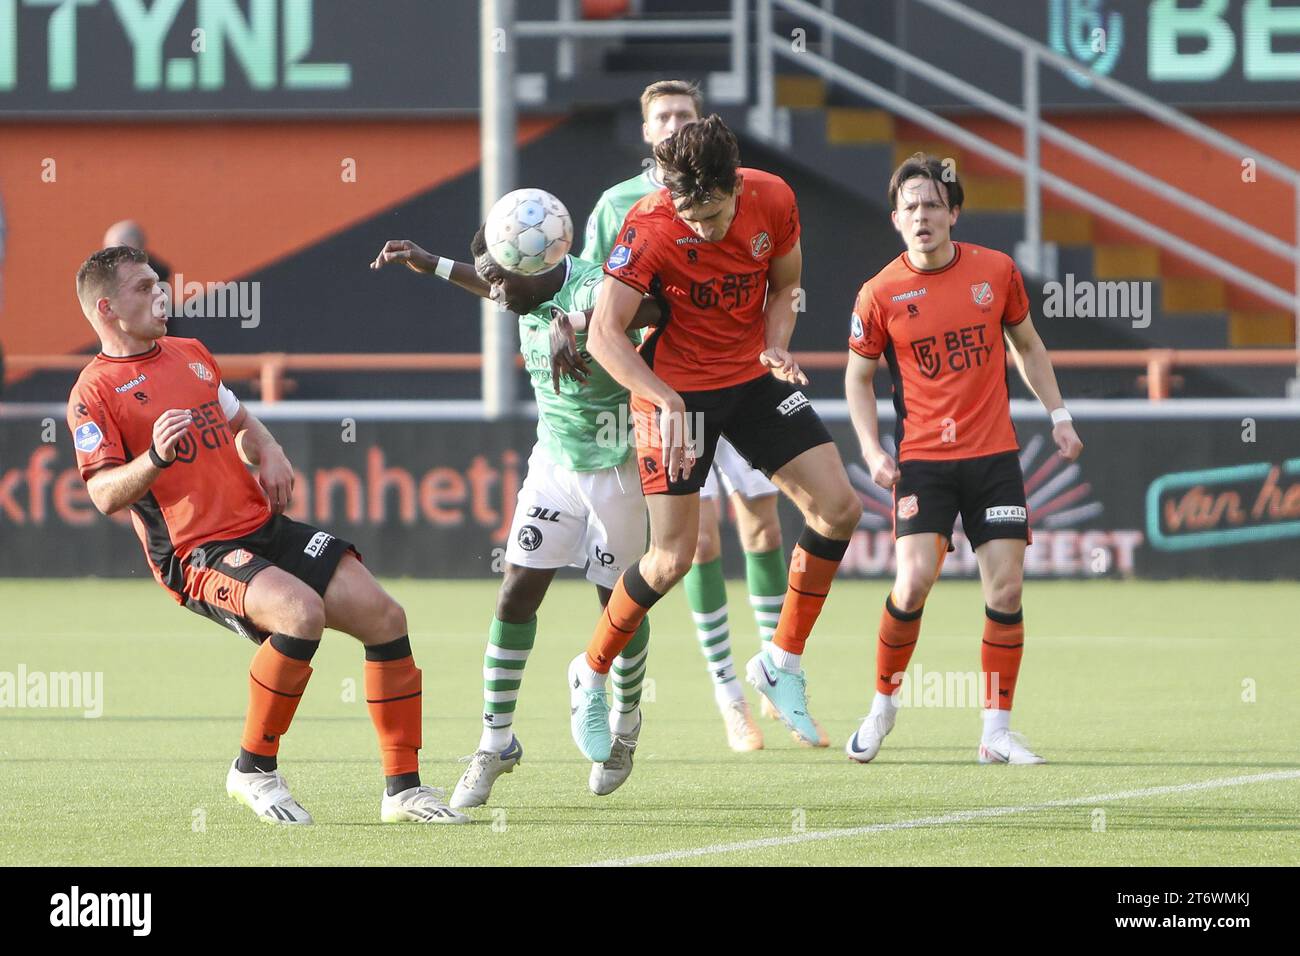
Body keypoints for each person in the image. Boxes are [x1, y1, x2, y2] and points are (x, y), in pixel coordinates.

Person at [67, 245, 466, 825]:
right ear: (106, 308)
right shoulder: (93, 392)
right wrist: (154, 455)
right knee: (300, 614)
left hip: (261, 526)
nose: (161, 294)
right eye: (143, 287)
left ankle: (403, 791)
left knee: (386, 616)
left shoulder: (191, 353)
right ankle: (253, 770)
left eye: (160, 281)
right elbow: (104, 493)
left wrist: (270, 450)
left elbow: (238, 419)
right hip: (196, 551)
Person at [578, 115, 863, 754]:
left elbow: (787, 285)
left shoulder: (775, 198)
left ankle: (781, 662)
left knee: (840, 509)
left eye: (714, 213)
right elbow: (603, 335)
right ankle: (589, 674)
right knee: (672, 558)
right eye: (692, 217)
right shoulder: (649, 227)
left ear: (737, 186)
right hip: (676, 391)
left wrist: (777, 346)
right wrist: (664, 398)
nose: (703, 229)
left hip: (751, 378)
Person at [371, 218, 662, 802]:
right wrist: (432, 263)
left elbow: (656, 310)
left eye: (501, 281)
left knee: (618, 608)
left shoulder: (586, 289)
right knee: (515, 591)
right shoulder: (522, 289)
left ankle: (627, 721)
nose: (495, 293)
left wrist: (582, 324)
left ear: (534, 272)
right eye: (490, 281)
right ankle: (495, 741)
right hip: (553, 466)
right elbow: (495, 286)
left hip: (618, 469)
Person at [843, 154, 1084, 765]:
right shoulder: (880, 293)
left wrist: (1059, 417)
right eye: (910, 207)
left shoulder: (996, 272)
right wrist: (871, 448)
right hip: (922, 460)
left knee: (1005, 587)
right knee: (914, 580)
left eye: (931, 205)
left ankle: (996, 731)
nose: (921, 216)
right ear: (895, 219)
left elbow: (1028, 345)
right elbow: (858, 377)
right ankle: (882, 705)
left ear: (953, 212)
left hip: (994, 456)